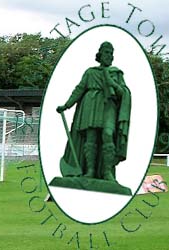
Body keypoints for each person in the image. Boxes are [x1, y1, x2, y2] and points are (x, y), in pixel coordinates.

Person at [56, 41, 131, 182]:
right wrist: (66, 105)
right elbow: (79, 89)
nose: (109, 56)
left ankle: (107, 172)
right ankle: (90, 170)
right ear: (100, 54)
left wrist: (112, 83)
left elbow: (123, 93)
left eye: (111, 53)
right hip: (90, 104)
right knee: (90, 137)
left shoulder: (116, 73)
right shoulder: (90, 72)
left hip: (108, 106)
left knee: (108, 134)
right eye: (106, 52)